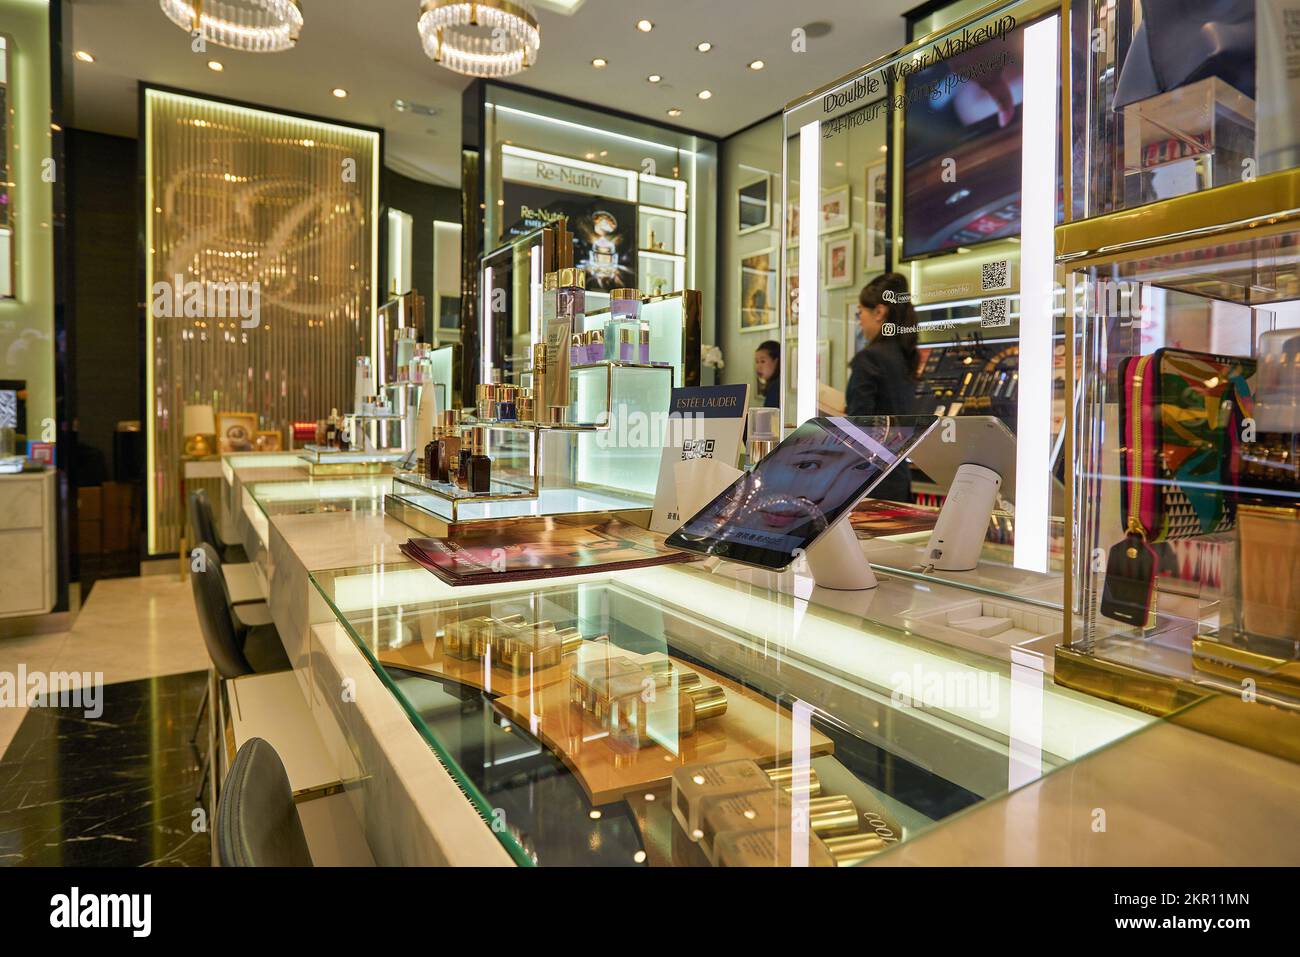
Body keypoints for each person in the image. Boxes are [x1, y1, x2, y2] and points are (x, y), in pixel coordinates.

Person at [848, 273, 920, 502]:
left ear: (879, 312)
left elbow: (861, 428)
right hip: (898, 479)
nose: (860, 321)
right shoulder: (905, 358)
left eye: (861, 313)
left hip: (872, 484)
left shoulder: (869, 359)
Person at [754, 340, 781, 408]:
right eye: (756, 362)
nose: (758, 367)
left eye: (762, 361)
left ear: (775, 361)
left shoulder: (775, 387)